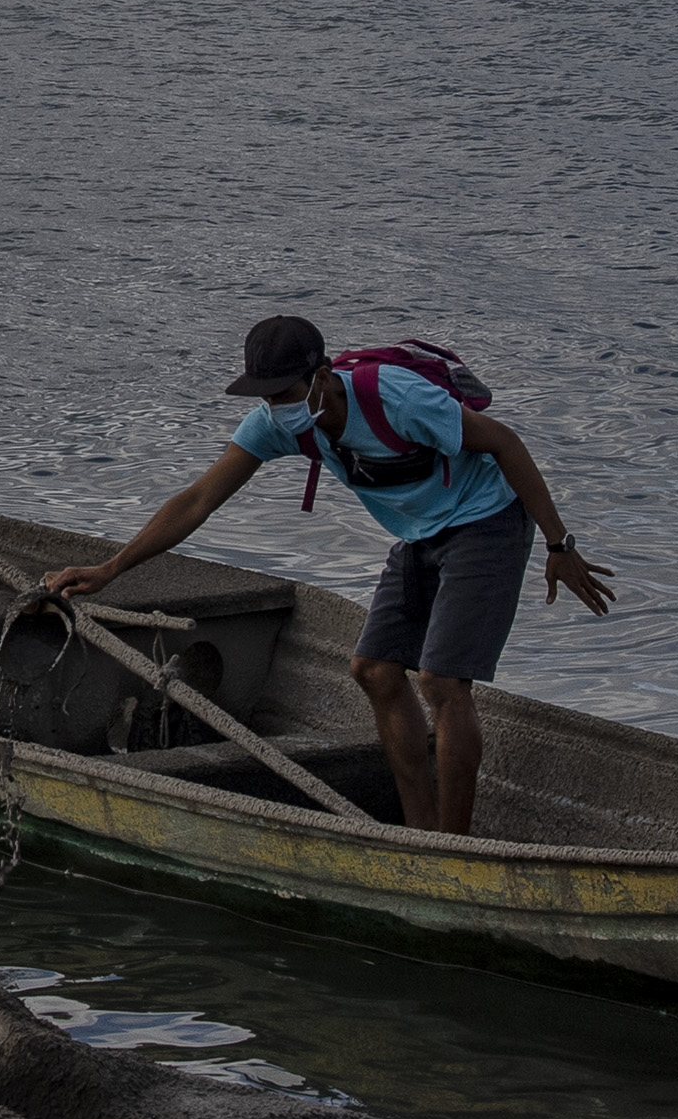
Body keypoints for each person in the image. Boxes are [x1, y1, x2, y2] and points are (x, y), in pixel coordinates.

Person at [43, 314, 614, 835]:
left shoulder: (396, 398)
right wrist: (110, 569)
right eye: (265, 396)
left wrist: (558, 544)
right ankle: (419, 834)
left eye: (284, 393)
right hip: (419, 534)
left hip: (485, 521)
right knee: (374, 669)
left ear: (321, 376)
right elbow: (197, 501)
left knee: (441, 682)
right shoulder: (278, 424)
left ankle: (456, 846)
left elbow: (505, 443)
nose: (275, 407)